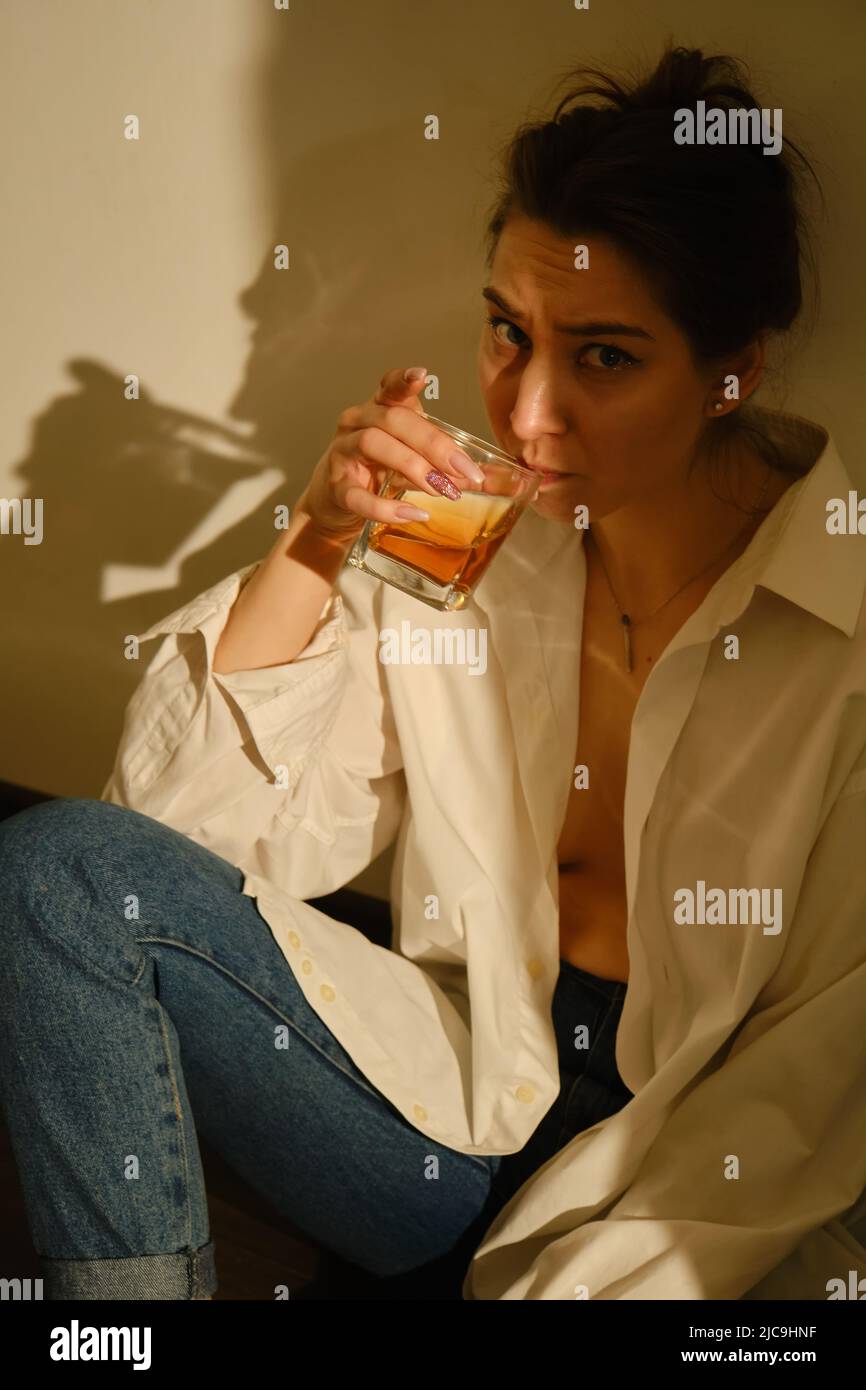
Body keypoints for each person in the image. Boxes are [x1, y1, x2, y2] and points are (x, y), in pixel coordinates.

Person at [2, 41, 866, 1302]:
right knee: (53, 877)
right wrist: (313, 539)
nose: (524, 416)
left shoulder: (841, 634)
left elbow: (805, 1096)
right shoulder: (471, 540)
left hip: (689, 1194)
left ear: (729, 371)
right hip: (448, 1101)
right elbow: (180, 844)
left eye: (605, 358)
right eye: (510, 333)